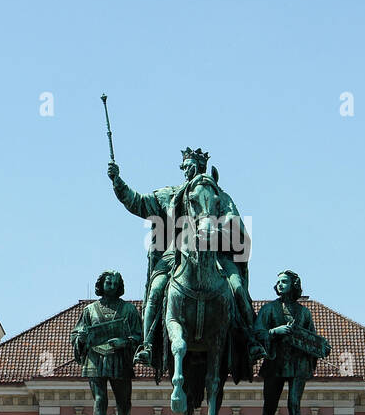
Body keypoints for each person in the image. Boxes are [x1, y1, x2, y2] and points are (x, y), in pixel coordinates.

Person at [107, 148, 258, 368]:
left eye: (192, 166)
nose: (188, 170)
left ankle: (252, 341)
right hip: (174, 254)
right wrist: (117, 181)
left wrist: (220, 231)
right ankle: (147, 345)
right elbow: (137, 202)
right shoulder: (169, 195)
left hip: (216, 255)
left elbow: (235, 225)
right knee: (156, 290)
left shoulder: (221, 197)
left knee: (238, 288)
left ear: (201, 167)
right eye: (185, 167)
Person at [254, 270, 329, 415]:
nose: (280, 285)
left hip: (298, 364)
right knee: (270, 406)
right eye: (278, 282)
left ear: (294, 285)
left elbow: (311, 339)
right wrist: (275, 331)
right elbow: (257, 333)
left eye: (284, 282)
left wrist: (322, 348)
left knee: (294, 405)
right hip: (275, 362)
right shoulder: (268, 309)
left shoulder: (304, 313)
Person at [71, 270, 142, 415]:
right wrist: (81, 338)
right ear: (101, 284)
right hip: (95, 359)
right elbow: (76, 334)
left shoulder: (129, 309)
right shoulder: (89, 310)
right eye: (108, 283)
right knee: (100, 400)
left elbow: (139, 336)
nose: (111, 286)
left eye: (115, 284)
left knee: (124, 404)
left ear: (120, 286)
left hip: (120, 359)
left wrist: (124, 342)